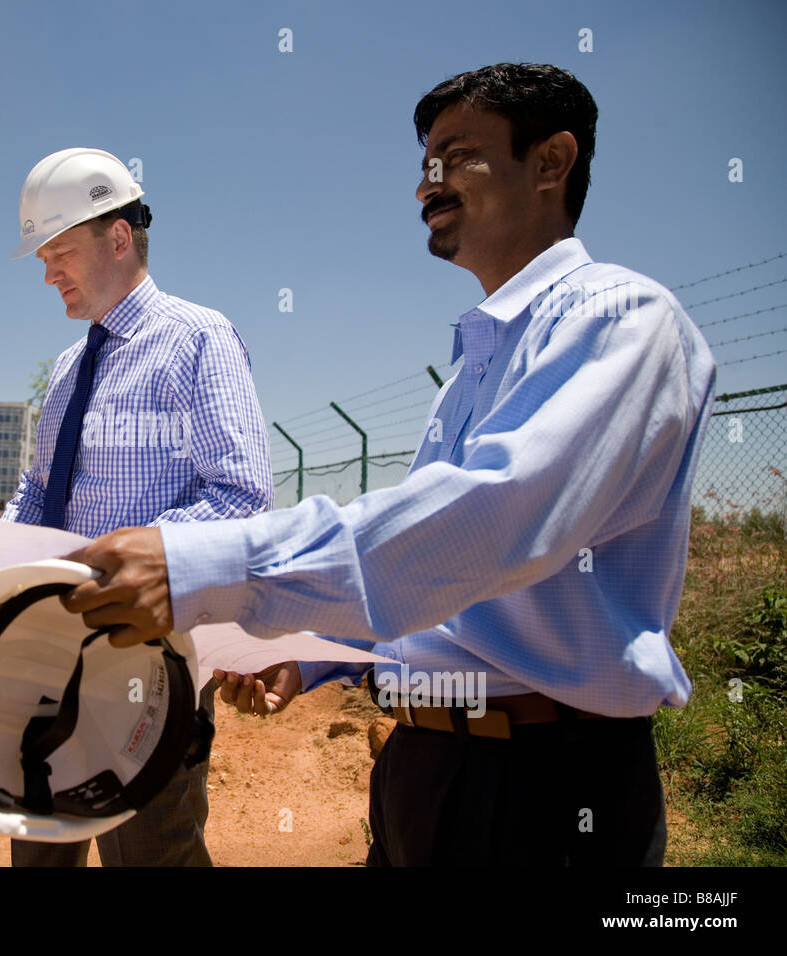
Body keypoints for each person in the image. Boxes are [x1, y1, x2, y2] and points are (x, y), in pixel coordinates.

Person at [56, 64, 717, 866]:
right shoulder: (476, 364)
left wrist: (200, 566)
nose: (424, 187)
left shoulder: (621, 319)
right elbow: (435, 584)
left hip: (545, 788)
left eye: (455, 156)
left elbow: (492, 521)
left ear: (551, 162)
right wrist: (312, 653)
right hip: (426, 768)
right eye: (423, 165)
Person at [0, 147, 273, 866]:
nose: (48, 270)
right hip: (49, 659)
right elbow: (38, 488)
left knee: (151, 856)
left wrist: (108, 562)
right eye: (41, 256)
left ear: (117, 238)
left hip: (146, 664)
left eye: (59, 250)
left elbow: (240, 498)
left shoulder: (197, 340)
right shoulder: (67, 368)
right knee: (38, 850)